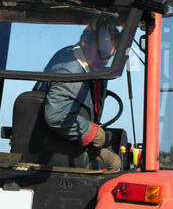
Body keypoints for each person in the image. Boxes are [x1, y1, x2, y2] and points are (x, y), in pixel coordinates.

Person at [37, 19, 123, 171]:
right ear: (84, 41)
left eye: (110, 56)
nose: (105, 61)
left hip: (63, 143)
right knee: (116, 167)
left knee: (115, 163)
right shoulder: (71, 71)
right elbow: (57, 116)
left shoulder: (74, 57)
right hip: (53, 149)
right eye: (102, 54)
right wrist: (95, 134)